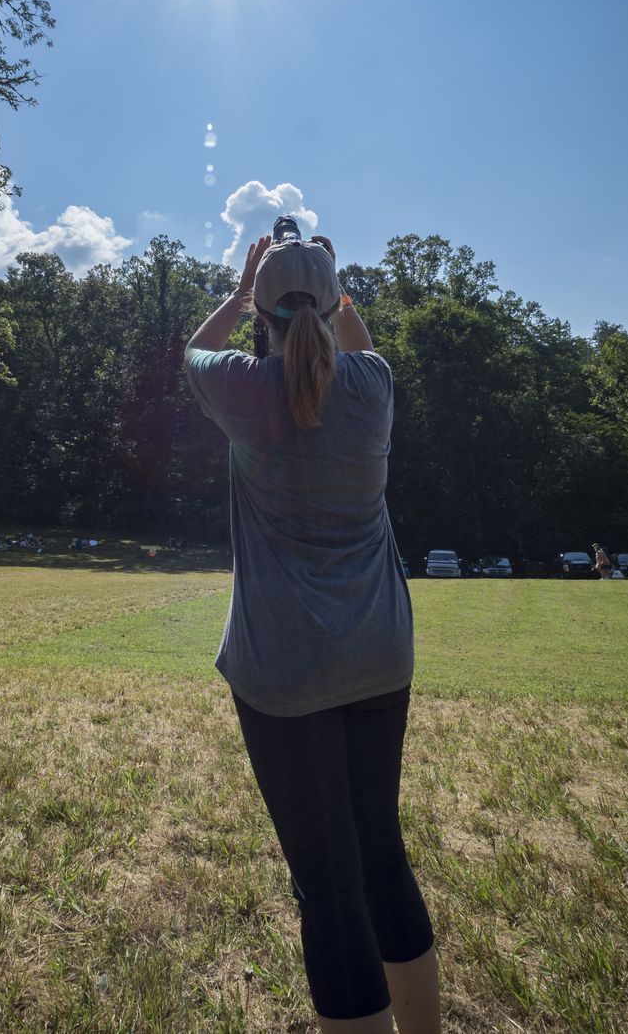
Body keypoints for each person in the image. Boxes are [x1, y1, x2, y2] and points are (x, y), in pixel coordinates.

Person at [185, 230, 439, 1034]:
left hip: (282, 672)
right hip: (379, 654)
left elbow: (193, 347)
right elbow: (357, 344)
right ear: (335, 306)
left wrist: (242, 287)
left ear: (261, 311)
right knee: (384, 858)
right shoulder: (374, 386)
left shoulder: (240, 387)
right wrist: (336, 290)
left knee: (329, 888)